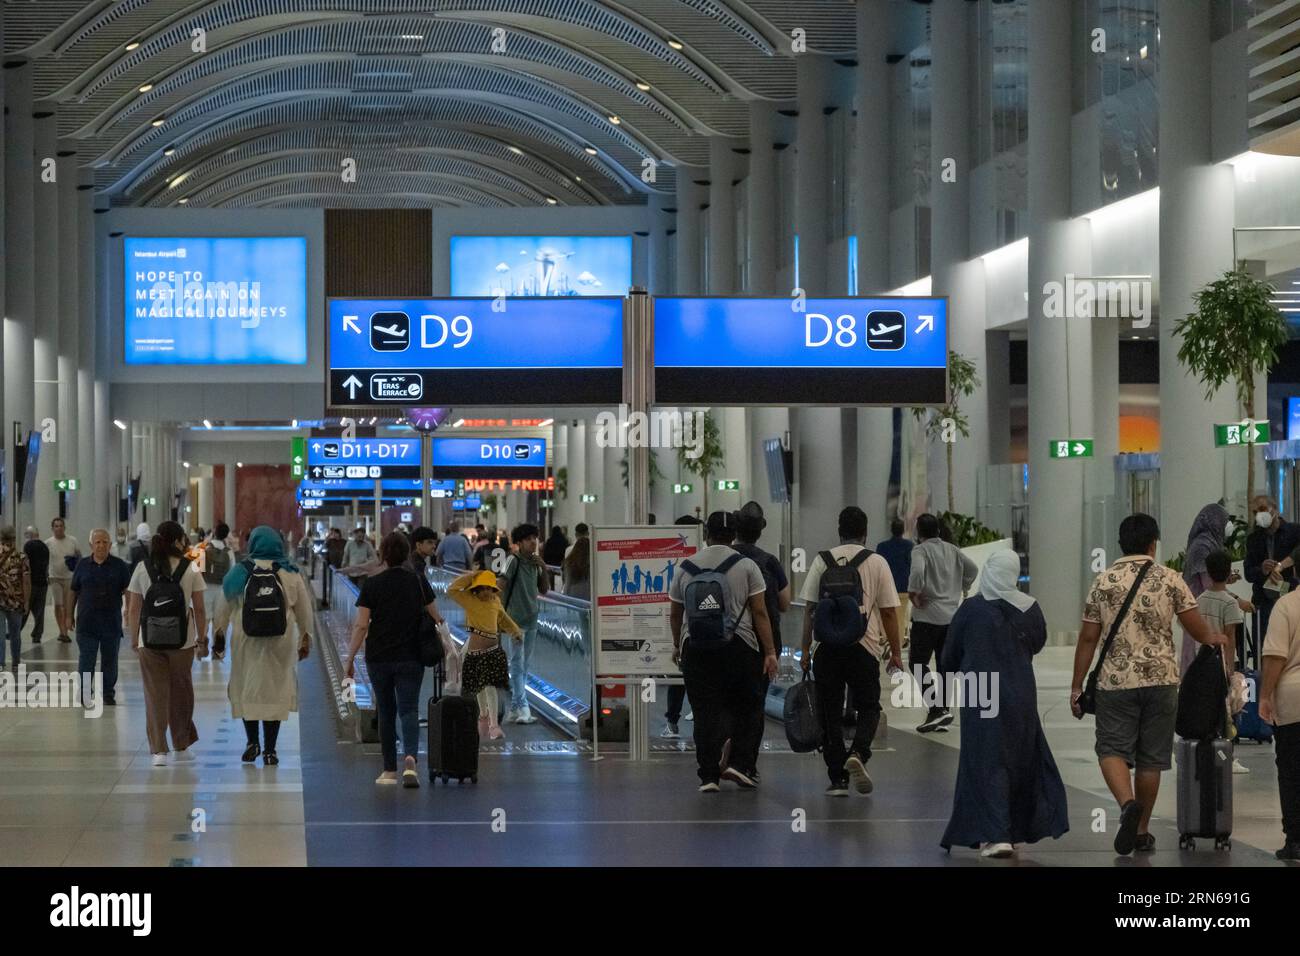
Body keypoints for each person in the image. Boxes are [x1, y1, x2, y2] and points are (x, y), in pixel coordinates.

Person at [1071, 513, 1228, 855]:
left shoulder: (1104, 581)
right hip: (1161, 681)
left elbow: (1087, 639)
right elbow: (1195, 628)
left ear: (1121, 543)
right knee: (1150, 759)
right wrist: (1215, 636)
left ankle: (1128, 805)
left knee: (1111, 748)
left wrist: (1076, 685)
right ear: (1153, 543)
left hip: (1116, 681)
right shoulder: (1169, 578)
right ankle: (1141, 832)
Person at [940, 550, 1069, 857]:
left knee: (985, 761)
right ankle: (1014, 828)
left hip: (980, 694)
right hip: (1020, 693)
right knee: (1020, 758)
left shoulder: (971, 609)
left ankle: (995, 834)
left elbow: (949, 657)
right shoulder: (1029, 607)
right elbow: (1036, 643)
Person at [671, 511, 777, 791]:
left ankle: (708, 776)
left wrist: (676, 644)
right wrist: (769, 652)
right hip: (739, 647)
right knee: (749, 706)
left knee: (704, 711)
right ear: (733, 536)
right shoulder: (747, 566)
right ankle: (740, 764)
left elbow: (674, 612)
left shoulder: (686, 566)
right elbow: (760, 613)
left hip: (696, 646)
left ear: (706, 534)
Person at [800, 506, 903, 796]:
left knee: (829, 711)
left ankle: (837, 779)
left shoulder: (822, 561)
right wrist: (895, 652)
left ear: (839, 530)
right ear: (865, 532)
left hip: (827, 648)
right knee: (869, 706)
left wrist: (806, 650)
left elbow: (809, 610)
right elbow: (890, 613)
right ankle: (858, 751)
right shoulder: (877, 562)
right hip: (864, 647)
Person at [344, 532, 443, 787]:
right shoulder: (418, 581)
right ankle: (410, 758)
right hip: (412, 657)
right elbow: (437, 617)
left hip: (379, 657)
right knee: (409, 709)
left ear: (383, 555)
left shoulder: (372, 584)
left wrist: (350, 658)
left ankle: (389, 770)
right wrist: (450, 648)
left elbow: (361, 625)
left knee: (387, 712)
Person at [217, 526, 315, 767]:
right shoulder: (290, 572)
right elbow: (305, 611)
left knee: (246, 687)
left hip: (245, 640)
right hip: (280, 641)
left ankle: (252, 743)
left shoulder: (239, 572)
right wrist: (305, 638)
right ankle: (271, 750)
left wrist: (217, 638)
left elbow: (222, 609)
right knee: (276, 689)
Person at [126, 521, 208, 767]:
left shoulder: (143, 567)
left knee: (155, 694)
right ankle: (181, 746)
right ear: (177, 541)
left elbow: (133, 609)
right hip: (182, 642)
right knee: (181, 693)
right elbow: (200, 609)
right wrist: (201, 639)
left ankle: (159, 750)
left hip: (149, 640)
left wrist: (134, 639)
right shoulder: (190, 567)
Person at [728, 502, 789, 766]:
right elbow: (785, 603)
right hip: (766, 642)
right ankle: (747, 763)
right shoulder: (769, 561)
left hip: (730, 638)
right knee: (756, 703)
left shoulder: (725, 559)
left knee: (728, 698)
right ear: (760, 532)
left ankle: (724, 753)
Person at [907, 512, 977, 733]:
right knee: (945, 665)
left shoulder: (920, 550)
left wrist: (914, 592)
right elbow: (973, 569)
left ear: (919, 532)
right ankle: (943, 710)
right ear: (938, 530)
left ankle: (936, 709)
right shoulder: (953, 550)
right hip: (951, 617)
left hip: (927, 616)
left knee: (917, 663)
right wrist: (963, 585)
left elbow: (917, 571)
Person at [447, 569, 522, 739]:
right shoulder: (469, 600)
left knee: (489, 684)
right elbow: (451, 590)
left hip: (491, 646)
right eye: (482, 588)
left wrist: (515, 632)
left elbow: (503, 619)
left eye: (489, 588)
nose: (486, 592)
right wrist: (471, 576)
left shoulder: (495, 602)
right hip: (475, 643)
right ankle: (483, 715)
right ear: (475, 589)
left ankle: (493, 724)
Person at [1198, 549, 1251, 774]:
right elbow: (1230, 637)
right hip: (1223, 661)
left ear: (1208, 572)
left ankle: (1204, 752)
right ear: (1229, 573)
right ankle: (1227, 756)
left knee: (1207, 708)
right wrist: (1230, 668)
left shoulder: (1200, 599)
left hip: (1203, 660)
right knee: (1229, 711)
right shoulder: (1230, 603)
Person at [66, 529, 132, 705]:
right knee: (86, 660)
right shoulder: (82, 565)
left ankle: (108, 693)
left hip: (111, 623)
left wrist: (129, 611)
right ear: (91, 545)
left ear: (110, 545)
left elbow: (128, 592)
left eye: (105, 542)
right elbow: (73, 591)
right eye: (97, 542)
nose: (101, 545)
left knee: (110, 661)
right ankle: (85, 693)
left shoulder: (119, 566)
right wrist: (68, 616)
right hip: (87, 623)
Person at [1261, 575, 1300, 861]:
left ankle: (1295, 840)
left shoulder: (1286, 606)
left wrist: (1264, 696)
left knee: (1291, 771)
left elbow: (1276, 656)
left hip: (1293, 701)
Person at [498, 523, 549, 724]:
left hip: (532, 620)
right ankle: (524, 708)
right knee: (517, 665)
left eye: (535, 538)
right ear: (519, 543)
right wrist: (500, 616)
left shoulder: (535, 564)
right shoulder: (512, 561)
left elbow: (544, 589)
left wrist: (543, 567)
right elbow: (500, 586)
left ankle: (514, 709)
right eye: (528, 539)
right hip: (515, 622)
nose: (533, 542)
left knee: (524, 666)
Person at [663, 514, 703, 734]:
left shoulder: (676, 559)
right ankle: (699, 717)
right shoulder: (706, 557)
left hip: (687, 632)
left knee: (678, 676)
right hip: (706, 630)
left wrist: (676, 642)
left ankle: (672, 721)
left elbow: (675, 611)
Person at [1244, 494, 1300, 650]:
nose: (1259, 515)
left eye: (1262, 509)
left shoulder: (1294, 531)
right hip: (1263, 601)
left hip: (1289, 595)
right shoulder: (1253, 539)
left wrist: (1282, 565)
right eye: (1255, 512)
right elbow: (1248, 573)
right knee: (1263, 647)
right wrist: (1262, 569)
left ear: (1274, 509)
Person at [876, 517, 914, 646]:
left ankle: (886, 640)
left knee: (884, 616)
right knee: (901, 617)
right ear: (903, 531)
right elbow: (912, 567)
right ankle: (897, 644)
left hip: (885, 587)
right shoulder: (910, 546)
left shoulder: (881, 547)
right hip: (903, 587)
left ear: (891, 530)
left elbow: (878, 567)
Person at [45, 517, 81, 643]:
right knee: (58, 604)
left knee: (67, 605)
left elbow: (79, 556)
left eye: (61, 526)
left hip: (69, 577)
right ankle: (62, 631)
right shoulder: (48, 543)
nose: (59, 528)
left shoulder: (72, 541)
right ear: (52, 528)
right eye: (56, 526)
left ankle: (67, 624)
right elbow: (44, 561)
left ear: (64, 527)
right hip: (54, 577)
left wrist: (75, 565)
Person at [0, 527, 32, 672]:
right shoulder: (21, 557)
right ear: (14, 539)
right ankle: (16, 662)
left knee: (0, 635)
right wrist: (26, 601)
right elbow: (26, 581)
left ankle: (0, 663)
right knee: (15, 634)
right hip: (16, 600)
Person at [204, 523, 235, 660]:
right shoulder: (229, 551)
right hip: (221, 589)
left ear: (214, 532)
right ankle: (218, 651)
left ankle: (201, 647)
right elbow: (232, 571)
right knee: (219, 622)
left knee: (204, 620)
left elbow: (196, 569)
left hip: (205, 588)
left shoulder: (205, 547)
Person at [22, 527, 49, 643]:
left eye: (26, 534)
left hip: (31, 582)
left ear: (30, 535)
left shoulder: (28, 546)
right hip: (42, 582)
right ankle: (37, 635)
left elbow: (25, 564)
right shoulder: (45, 547)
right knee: (39, 611)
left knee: (24, 608)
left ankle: (15, 630)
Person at [562, 524, 591, 601]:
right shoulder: (593, 551)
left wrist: (565, 594)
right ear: (588, 533)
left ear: (576, 535)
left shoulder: (569, 551)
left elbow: (567, 580)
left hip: (574, 594)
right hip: (590, 593)